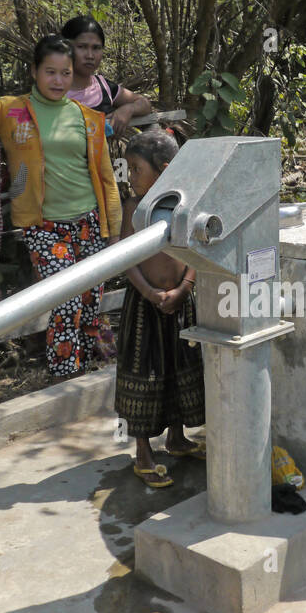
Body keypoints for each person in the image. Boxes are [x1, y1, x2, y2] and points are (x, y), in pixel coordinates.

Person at [0, 35, 122, 379]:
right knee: (65, 300)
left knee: (89, 300)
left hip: (89, 220)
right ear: (34, 72)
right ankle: (65, 374)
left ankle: (97, 367)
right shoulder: (11, 109)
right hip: (43, 225)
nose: (58, 81)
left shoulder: (87, 118)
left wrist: (113, 231)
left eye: (65, 73)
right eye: (50, 72)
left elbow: (106, 179)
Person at [114, 131, 205, 487]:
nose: (131, 176)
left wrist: (184, 288)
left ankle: (177, 437)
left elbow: (198, 251)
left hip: (182, 301)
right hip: (144, 305)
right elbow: (127, 259)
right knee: (143, 375)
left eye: (136, 169)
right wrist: (152, 293)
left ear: (164, 170)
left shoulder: (187, 206)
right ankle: (143, 453)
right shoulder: (133, 209)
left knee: (182, 369)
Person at [61, 15, 152, 137]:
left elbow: (145, 104)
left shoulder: (103, 87)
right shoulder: (54, 89)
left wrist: (128, 109)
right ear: (65, 47)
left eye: (96, 48)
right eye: (82, 47)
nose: (90, 55)